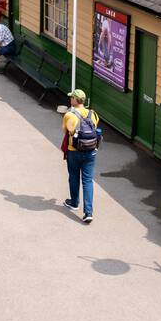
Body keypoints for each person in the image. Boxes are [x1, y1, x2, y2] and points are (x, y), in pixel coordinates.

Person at [61, 89, 101, 224]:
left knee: (73, 176)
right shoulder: (93, 114)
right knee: (88, 181)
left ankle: (74, 202)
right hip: (90, 151)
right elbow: (94, 127)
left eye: (71, 97)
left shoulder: (69, 115)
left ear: (74, 100)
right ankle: (88, 213)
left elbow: (65, 130)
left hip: (74, 151)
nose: (70, 99)